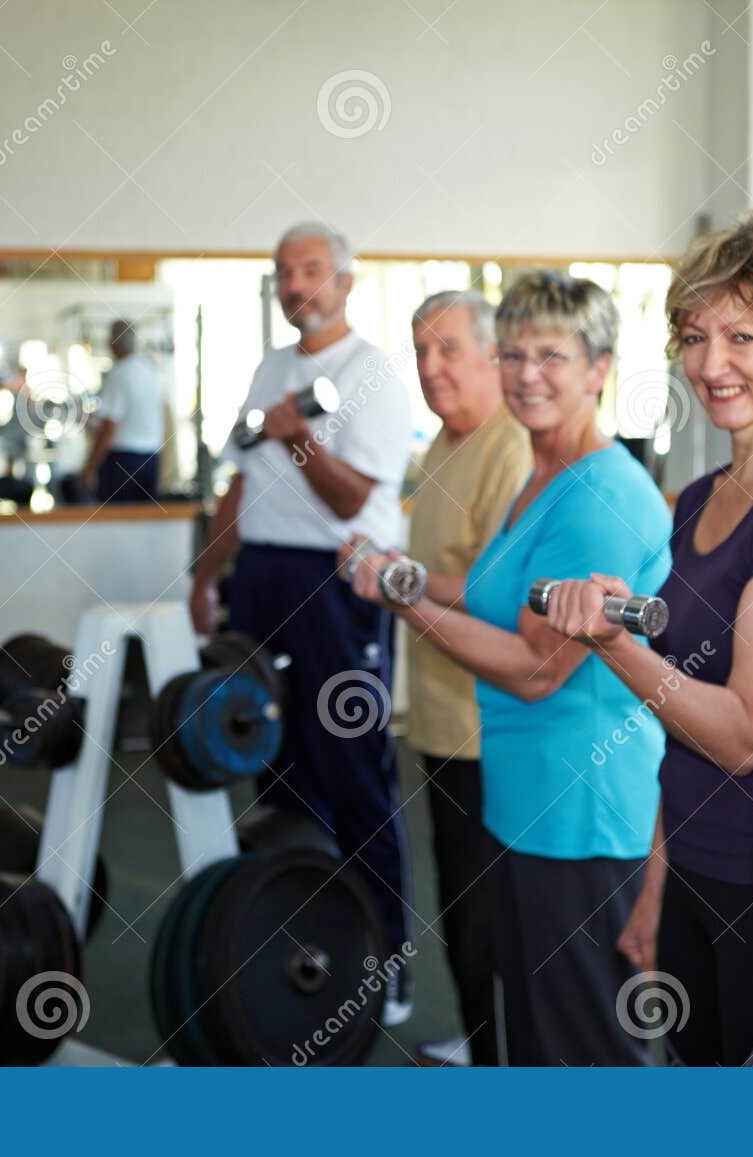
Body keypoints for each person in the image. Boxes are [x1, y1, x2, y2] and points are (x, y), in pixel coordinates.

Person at [542, 210, 753, 1066]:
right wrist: (655, 889)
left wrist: (614, 647)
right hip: (692, 865)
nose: (710, 363)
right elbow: (678, 728)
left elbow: (741, 731)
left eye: (741, 335)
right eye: (694, 336)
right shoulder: (697, 497)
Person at [346, 270, 671, 1065]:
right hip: (524, 804)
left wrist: (401, 599)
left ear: (599, 369)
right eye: (517, 354)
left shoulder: (602, 496)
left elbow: (535, 666)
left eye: (553, 356)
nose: (529, 374)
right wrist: (409, 574)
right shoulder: (540, 478)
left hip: (583, 817)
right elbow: (500, 599)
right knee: (531, 1046)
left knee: (584, 1061)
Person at [187, 222, 416, 1022]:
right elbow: (241, 484)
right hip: (263, 579)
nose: (297, 284)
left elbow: (353, 498)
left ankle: (387, 962)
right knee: (276, 769)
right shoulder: (269, 367)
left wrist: (297, 438)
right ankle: (310, 941)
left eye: (312, 270)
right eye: (285, 272)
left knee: (354, 772)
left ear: (345, 282)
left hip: (338, 580)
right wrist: (205, 572)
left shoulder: (371, 373)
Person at [389, 291, 531, 1066]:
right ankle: (483, 1045)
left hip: (494, 729)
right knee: (461, 904)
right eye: (420, 351)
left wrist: (399, 580)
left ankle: (505, 1058)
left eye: (448, 349)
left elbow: (498, 591)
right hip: (443, 721)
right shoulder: (442, 445)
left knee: (491, 916)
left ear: (490, 356)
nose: (431, 367)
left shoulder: (510, 444)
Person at [83, 319, 165, 503]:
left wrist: (90, 468)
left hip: (123, 461)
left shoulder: (119, 374)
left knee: (117, 522)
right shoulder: (151, 371)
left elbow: (109, 427)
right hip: (151, 457)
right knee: (144, 521)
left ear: (113, 342)